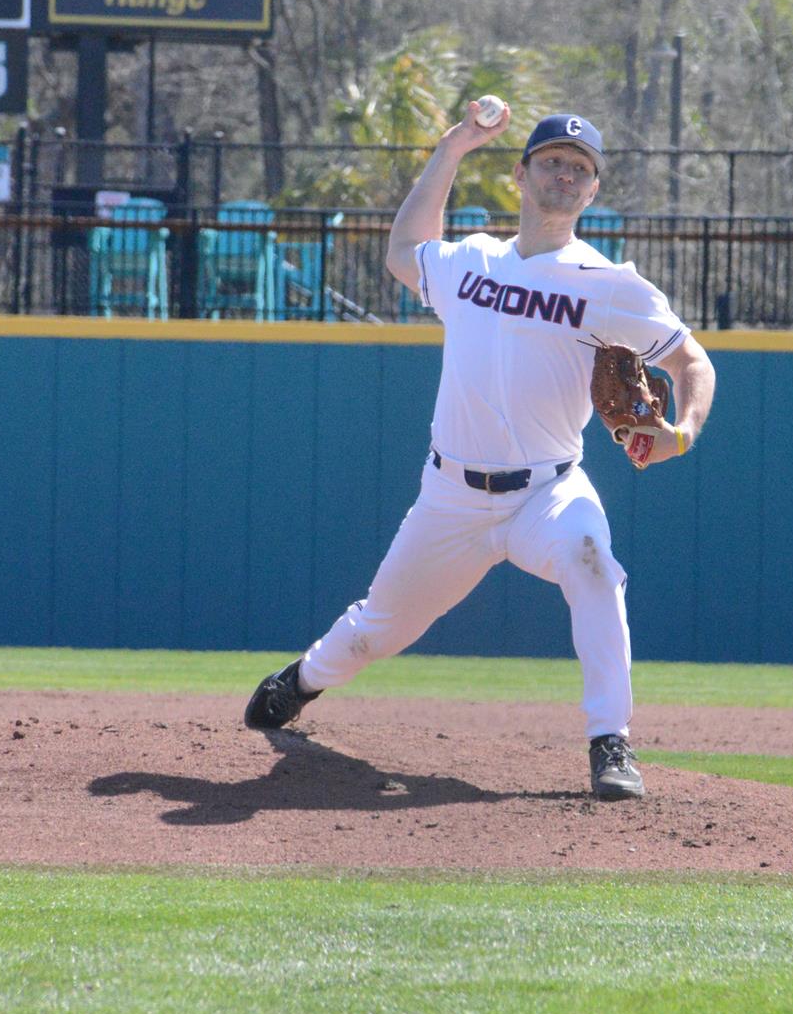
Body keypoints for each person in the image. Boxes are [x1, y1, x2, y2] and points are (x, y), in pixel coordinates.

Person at [243, 103, 717, 801]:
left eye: (582, 168)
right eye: (554, 160)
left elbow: (693, 363)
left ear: (593, 192)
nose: (567, 173)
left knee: (594, 566)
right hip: (452, 497)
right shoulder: (471, 262)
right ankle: (302, 679)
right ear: (522, 174)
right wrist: (457, 144)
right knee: (378, 630)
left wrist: (684, 431)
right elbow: (402, 252)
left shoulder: (609, 283)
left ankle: (609, 739)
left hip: (548, 491)